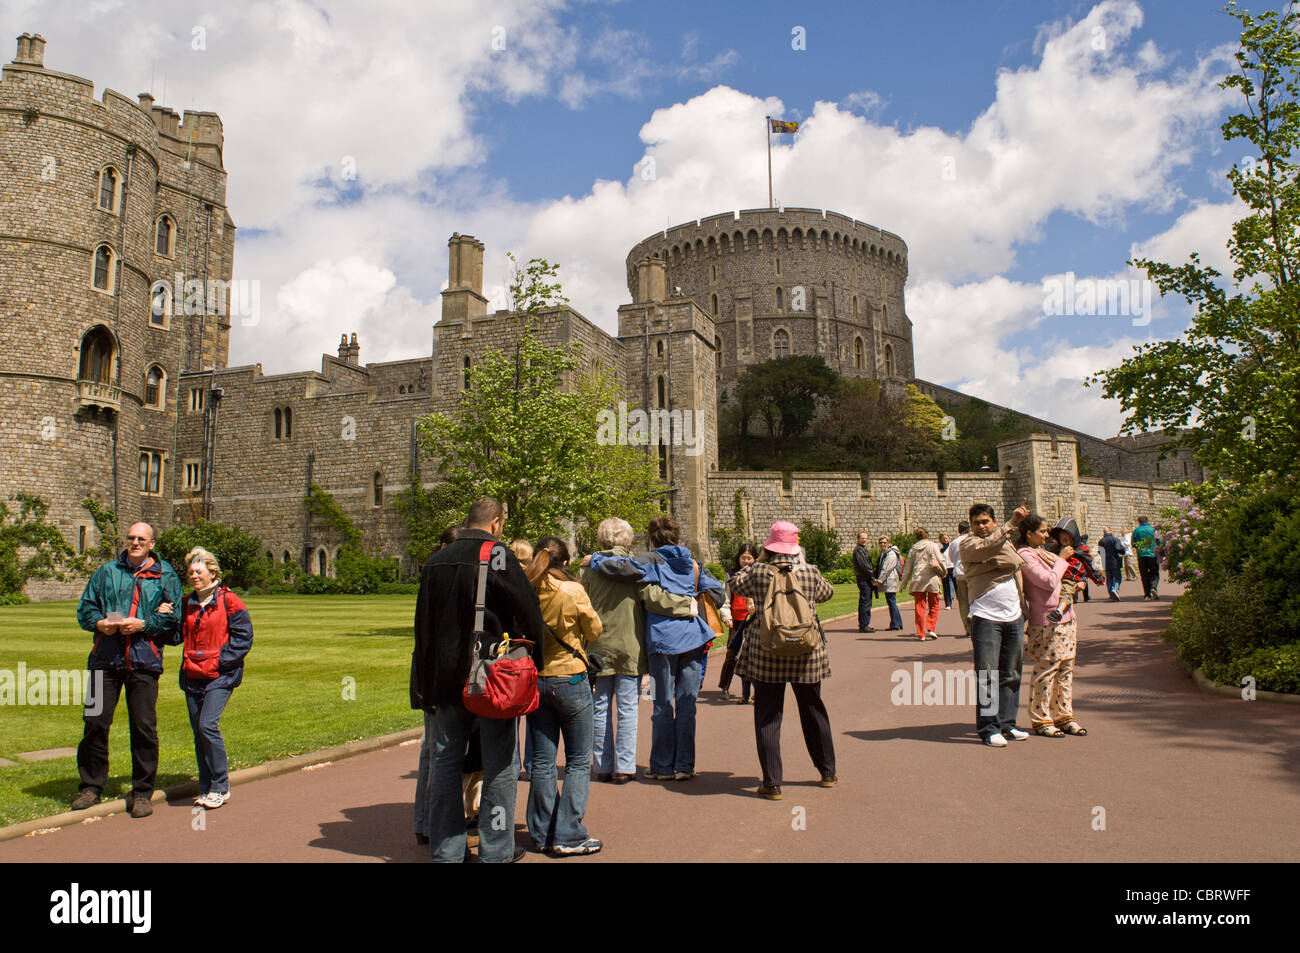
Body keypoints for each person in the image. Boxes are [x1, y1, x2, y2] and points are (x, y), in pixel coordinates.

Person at [412, 498, 546, 863]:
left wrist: (422, 685)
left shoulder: (437, 560)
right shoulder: (498, 556)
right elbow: (529, 613)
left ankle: (448, 850)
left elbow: (421, 628)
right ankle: (496, 849)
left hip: (444, 677)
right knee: (500, 763)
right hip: (491, 675)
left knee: (445, 763)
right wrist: (537, 663)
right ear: (497, 523)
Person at [585, 514, 724, 782]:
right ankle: (684, 765)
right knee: (687, 703)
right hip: (694, 641)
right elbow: (718, 594)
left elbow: (618, 568)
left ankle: (661, 766)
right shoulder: (694, 563)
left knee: (662, 704)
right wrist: (691, 598)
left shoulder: (648, 561)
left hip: (662, 644)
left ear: (651, 537)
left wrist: (594, 559)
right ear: (677, 535)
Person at [72, 522, 183, 816]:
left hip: (144, 660)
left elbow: (175, 619)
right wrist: (100, 623)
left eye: (141, 539)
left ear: (152, 544)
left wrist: (144, 623)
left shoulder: (165, 575)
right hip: (103, 660)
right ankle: (91, 787)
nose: (135, 542)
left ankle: (142, 791)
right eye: (131, 538)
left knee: (143, 727)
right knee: (94, 722)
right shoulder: (107, 572)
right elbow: (86, 608)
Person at [730, 521, 836, 800]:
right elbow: (828, 593)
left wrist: (758, 562)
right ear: (795, 547)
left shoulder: (760, 573)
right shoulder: (810, 572)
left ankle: (772, 783)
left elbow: (733, 584)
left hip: (768, 651)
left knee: (768, 716)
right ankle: (827, 772)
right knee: (814, 710)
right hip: (807, 652)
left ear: (769, 547)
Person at [525, 536, 604, 856]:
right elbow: (595, 630)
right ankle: (569, 833)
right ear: (566, 563)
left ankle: (543, 831)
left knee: (542, 762)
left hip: (537, 680)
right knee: (577, 761)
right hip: (569, 678)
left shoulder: (527, 589)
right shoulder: (572, 590)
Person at [168, 547, 253, 809]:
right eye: (190, 571)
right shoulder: (186, 603)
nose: (193, 575)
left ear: (211, 572)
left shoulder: (230, 601)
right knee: (198, 733)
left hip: (219, 676)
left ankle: (220, 785)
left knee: (207, 725)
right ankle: (206, 787)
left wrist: (220, 662)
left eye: (198, 571)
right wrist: (166, 616)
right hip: (192, 674)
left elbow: (243, 638)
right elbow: (174, 638)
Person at [959, 502, 1030, 748]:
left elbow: (1014, 562)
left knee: (1011, 673)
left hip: (1013, 615)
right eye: (976, 523)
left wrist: (993, 562)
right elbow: (983, 551)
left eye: (985, 521)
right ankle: (989, 728)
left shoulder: (1004, 540)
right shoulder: (966, 543)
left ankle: (1008, 723)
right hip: (986, 617)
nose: (980, 526)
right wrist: (1010, 527)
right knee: (987, 675)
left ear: (993, 521)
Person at [413, 525, 467, 846]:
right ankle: (435, 826)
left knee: (430, 751)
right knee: (438, 752)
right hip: (437, 678)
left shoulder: (436, 574)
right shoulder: (442, 575)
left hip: (431, 676)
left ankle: (426, 822)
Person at [1016, 515, 1086, 738]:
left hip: (1066, 616)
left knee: (1066, 670)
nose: (1048, 536)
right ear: (1029, 534)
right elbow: (1047, 581)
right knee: (1047, 671)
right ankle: (1041, 717)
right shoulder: (1025, 555)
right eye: (1043, 531)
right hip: (1047, 620)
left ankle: (1064, 716)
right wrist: (1062, 559)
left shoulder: (1043, 553)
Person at [720, 543, 760, 702]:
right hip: (737, 622)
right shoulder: (732, 575)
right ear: (738, 558)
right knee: (731, 654)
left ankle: (757, 691)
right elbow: (726, 598)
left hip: (754, 620)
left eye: (749, 558)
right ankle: (724, 686)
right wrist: (726, 615)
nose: (746, 561)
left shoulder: (759, 574)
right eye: (743, 558)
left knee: (754, 656)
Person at [1046, 522, 1104, 622]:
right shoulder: (1056, 548)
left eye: (1067, 540)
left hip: (1071, 577)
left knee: (1066, 591)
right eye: (1062, 540)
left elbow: (1091, 565)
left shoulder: (1080, 550)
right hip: (1058, 576)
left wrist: (1098, 578)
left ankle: (1059, 611)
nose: (1064, 543)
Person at [898, 528, 946, 641]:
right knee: (934, 605)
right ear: (927, 535)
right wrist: (944, 572)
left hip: (918, 579)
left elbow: (908, 568)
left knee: (920, 607)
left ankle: (921, 633)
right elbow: (941, 560)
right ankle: (931, 628)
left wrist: (903, 584)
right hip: (932, 578)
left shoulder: (913, 548)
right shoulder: (933, 546)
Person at [874, 535, 904, 631]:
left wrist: (879, 580)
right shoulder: (884, 553)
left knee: (891, 602)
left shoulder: (890, 554)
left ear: (888, 543)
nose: (883, 544)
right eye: (881, 543)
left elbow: (886, 569)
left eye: (884, 542)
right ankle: (898, 623)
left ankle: (895, 624)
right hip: (888, 581)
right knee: (891, 602)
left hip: (890, 581)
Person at [947, 521, 972, 636]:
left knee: (963, 602)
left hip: (960, 574)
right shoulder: (973, 539)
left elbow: (951, 558)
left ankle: (968, 628)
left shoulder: (954, 543)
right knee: (975, 599)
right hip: (973, 573)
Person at [851, 532, 877, 633]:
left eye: (866, 538)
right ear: (858, 539)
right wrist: (872, 577)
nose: (864, 540)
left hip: (865, 579)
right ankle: (863, 625)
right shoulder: (859, 551)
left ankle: (865, 623)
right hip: (864, 579)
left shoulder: (862, 550)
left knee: (867, 601)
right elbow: (865, 566)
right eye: (862, 538)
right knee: (865, 602)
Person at [1132, 517, 1160, 599]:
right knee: (1154, 573)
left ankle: (1147, 595)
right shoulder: (1153, 530)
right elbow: (1158, 541)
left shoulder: (1137, 530)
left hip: (1141, 555)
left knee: (1144, 575)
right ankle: (1153, 587)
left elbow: (1133, 543)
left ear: (1139, 522)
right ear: (1147, 521)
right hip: (1152, 554)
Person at [1098, 527, 1126, 601]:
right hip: (1115, 561)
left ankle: (1111, 594)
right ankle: (1115, 589)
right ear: (1110, 531)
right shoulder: (1115, 539)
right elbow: (1119, 548)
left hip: (1106, 562)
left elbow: (1100, 552)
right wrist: (1123, 551)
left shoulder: (1101, 541)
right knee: (1117, 577)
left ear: (1104, 533)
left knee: (1109, 578)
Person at [937, 531, 956, 609]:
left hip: (952, 567)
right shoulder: (940, 548)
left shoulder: (952, 546)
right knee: (946, 587)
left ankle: (961, 601)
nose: (945, 540)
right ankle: (948, 604)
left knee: (956, 585)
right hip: (945, 569)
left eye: (947, 538)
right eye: (944, 539)